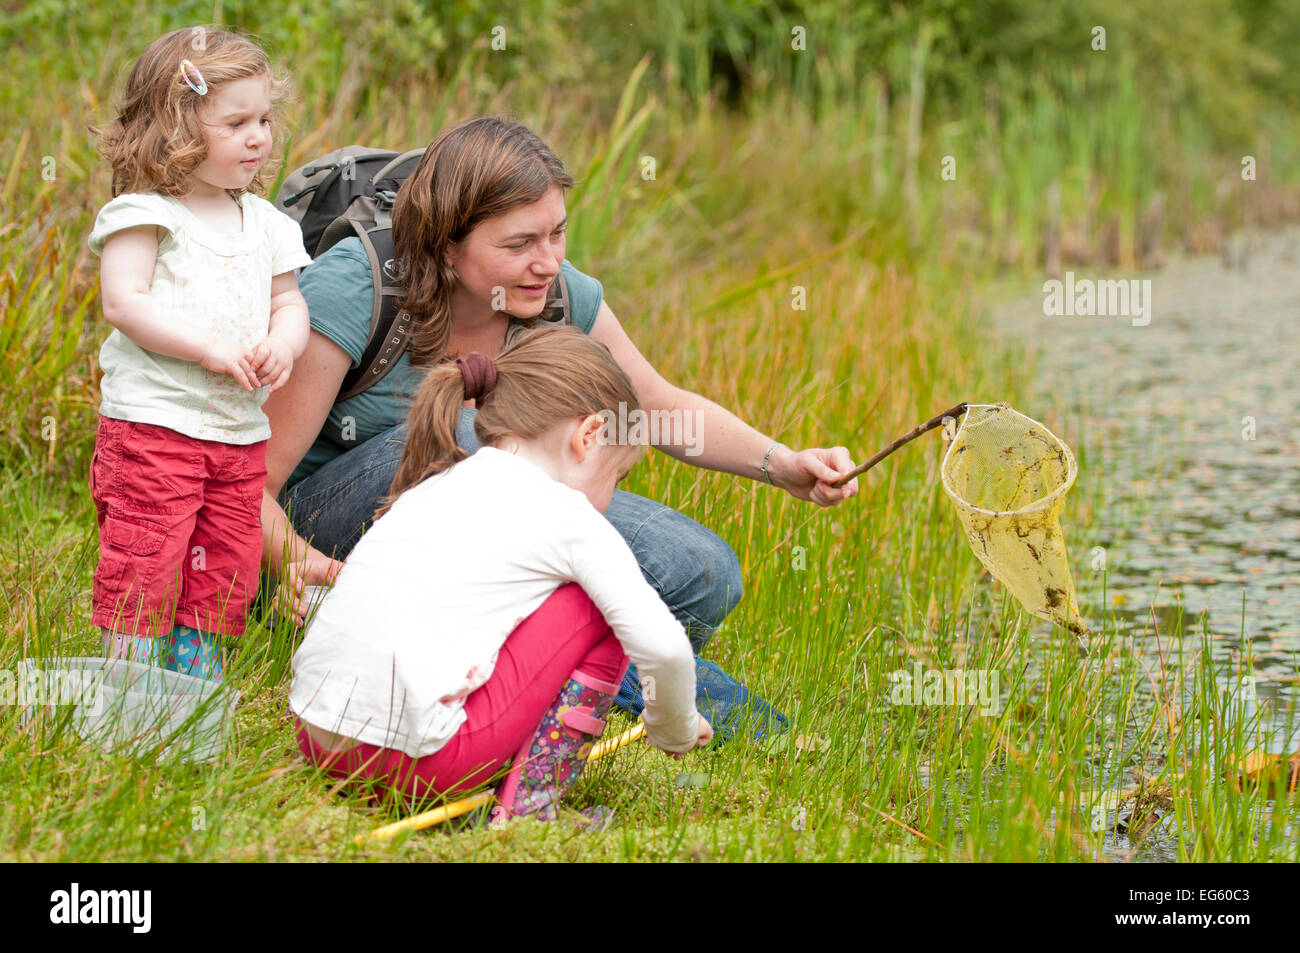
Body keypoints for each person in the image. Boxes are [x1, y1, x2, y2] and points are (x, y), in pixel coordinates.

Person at [261, 115, 858, 729]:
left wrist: (781, 463)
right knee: (470, 439)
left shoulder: (556, 297)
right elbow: (249, 482)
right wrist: (313, 574)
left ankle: (540, 659)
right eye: (519, 244)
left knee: (699, 568)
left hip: (483, 527)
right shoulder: (356, 289)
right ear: (445, 244)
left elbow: (653, 408)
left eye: (558, 235)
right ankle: (723, 714)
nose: (547, 262)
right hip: (326, 529)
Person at [290, 325, 712, 818]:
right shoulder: (567, 516)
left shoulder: (432, 487)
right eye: (615, 476)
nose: (609, 498)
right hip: (415, 768)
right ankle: (532, 804)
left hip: (317, 743)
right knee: (597, 605)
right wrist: (673, 727)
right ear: (589, 434)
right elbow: (661, 645)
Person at [88, 28, 311, 681]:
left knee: (223, 565)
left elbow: (290, 303)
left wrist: (283, 343)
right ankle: (129, 686)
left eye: (264, 119)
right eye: (236, 122)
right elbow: (124, 302)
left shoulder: (268, 224)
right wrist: (210, 347)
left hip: (238, 436)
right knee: (148, 556)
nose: (259, 137)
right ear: (175, 130)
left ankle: (192, 691)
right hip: (156, 427)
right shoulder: (147, 213)